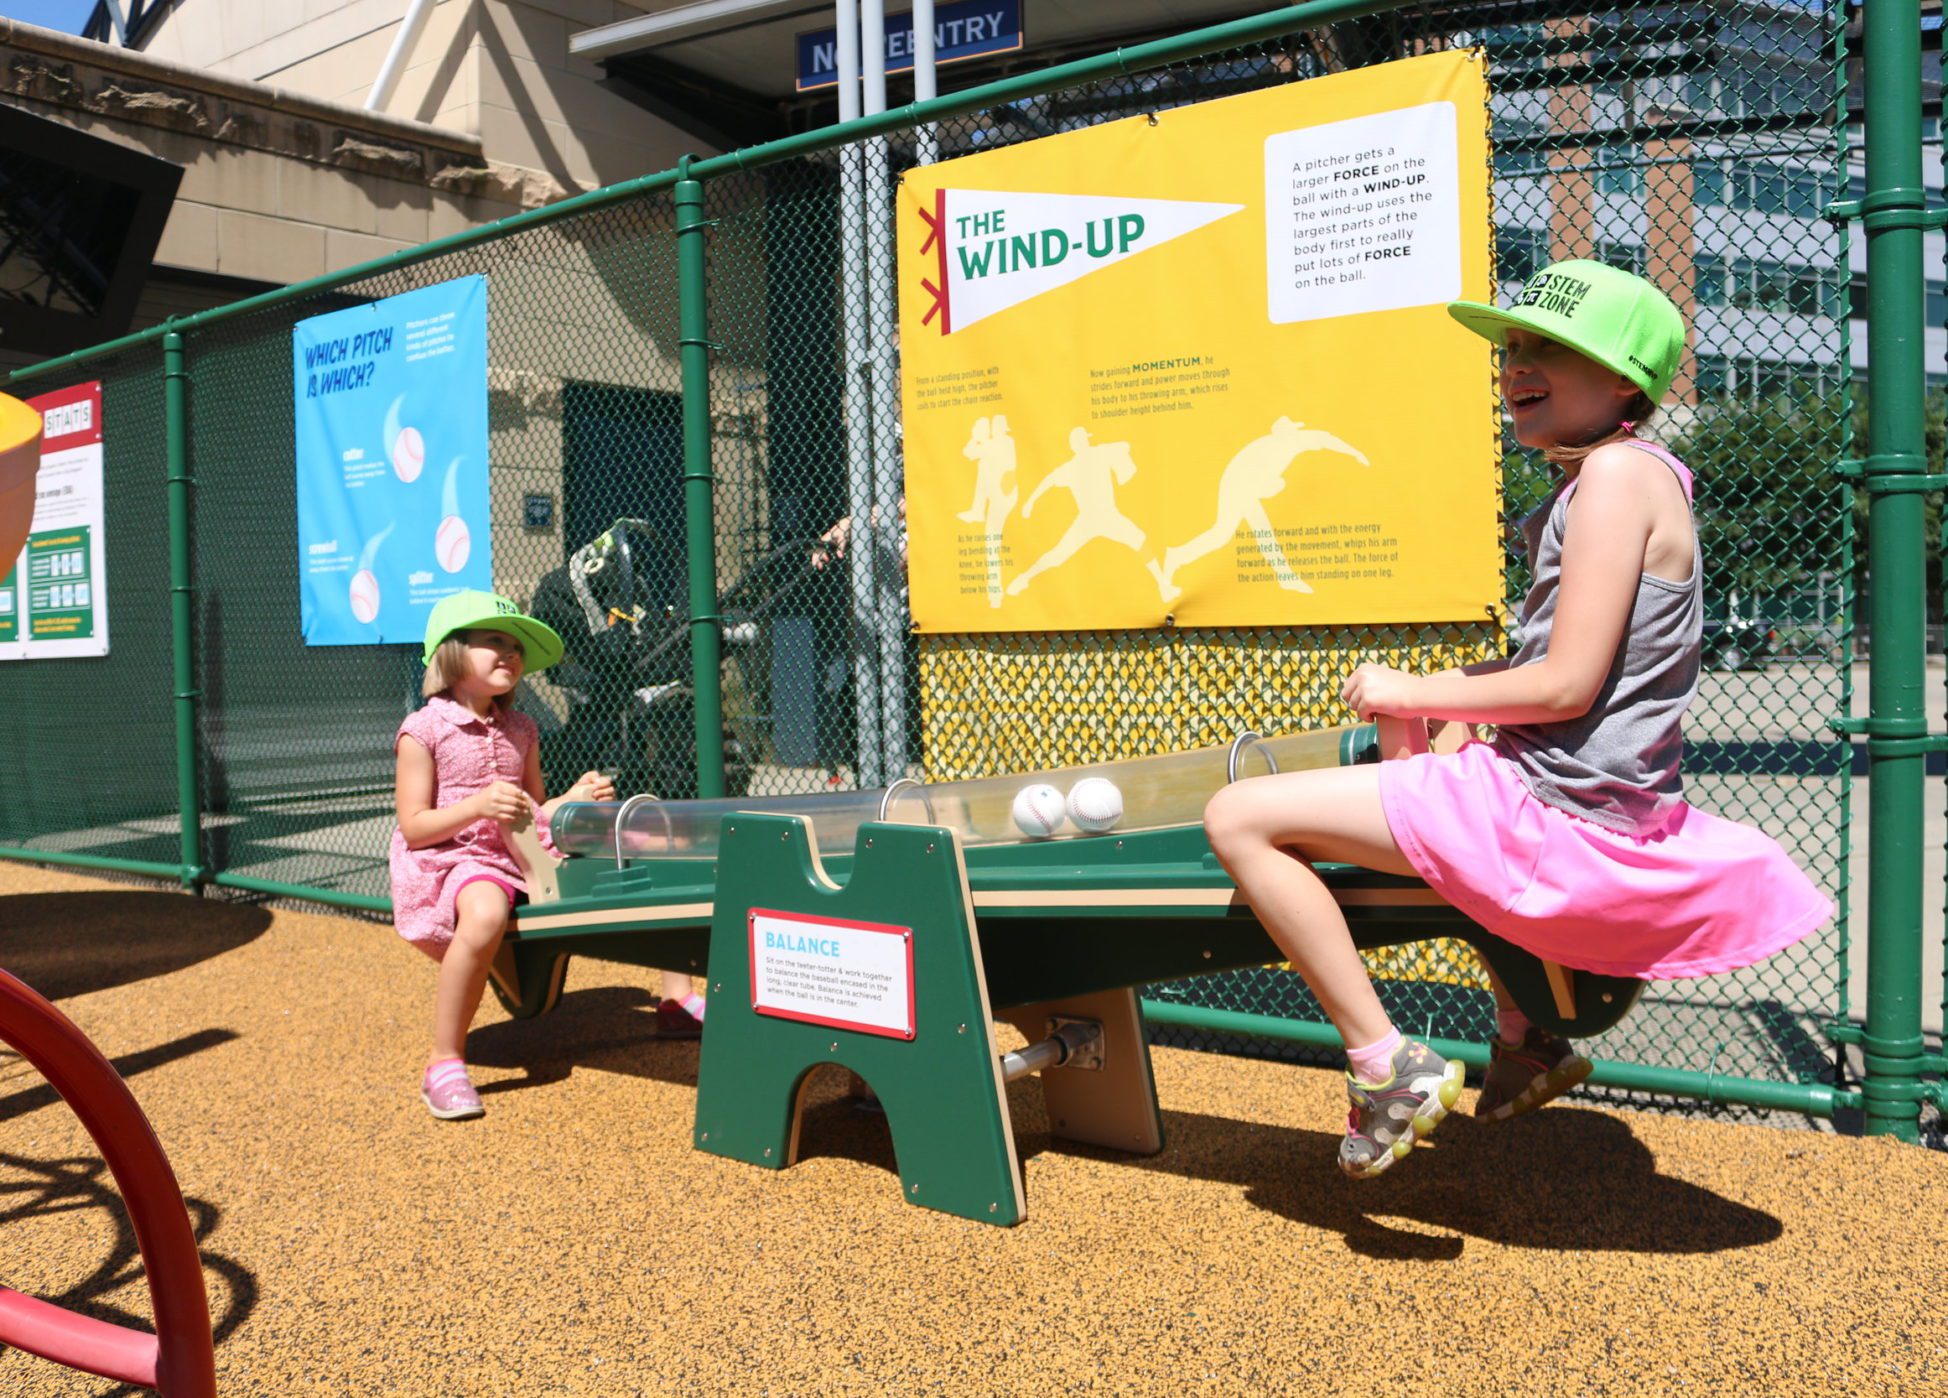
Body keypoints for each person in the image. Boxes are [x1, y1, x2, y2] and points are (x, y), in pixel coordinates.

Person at [1203, 260, 1833, 1178]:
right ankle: (1525, 1036)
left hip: (1557, 815)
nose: (1515, 364)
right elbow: (1554, 668)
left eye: (1546, 347)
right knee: (1441, 746)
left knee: (1238, 818)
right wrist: (1442, 695)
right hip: (1584, 800)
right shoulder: (1612, 481)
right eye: (1511, 349)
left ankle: (1383, 1064)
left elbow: (1565, 686)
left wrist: (1409, 692)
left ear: (1625, 381)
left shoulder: (1616, 475)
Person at [391, 590, 696, 1122]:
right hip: (457, 859)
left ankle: (675, 1000)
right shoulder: (424, 731)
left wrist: (572, 799)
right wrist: (478, 806)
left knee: (645, 854)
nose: (509, 654)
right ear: (451, 655)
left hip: (523, 849)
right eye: (493, 643)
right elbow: (415, 828)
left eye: (515, 647)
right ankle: (444, 1061)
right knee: (485, 911)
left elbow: (535, 810)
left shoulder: (523, 728)